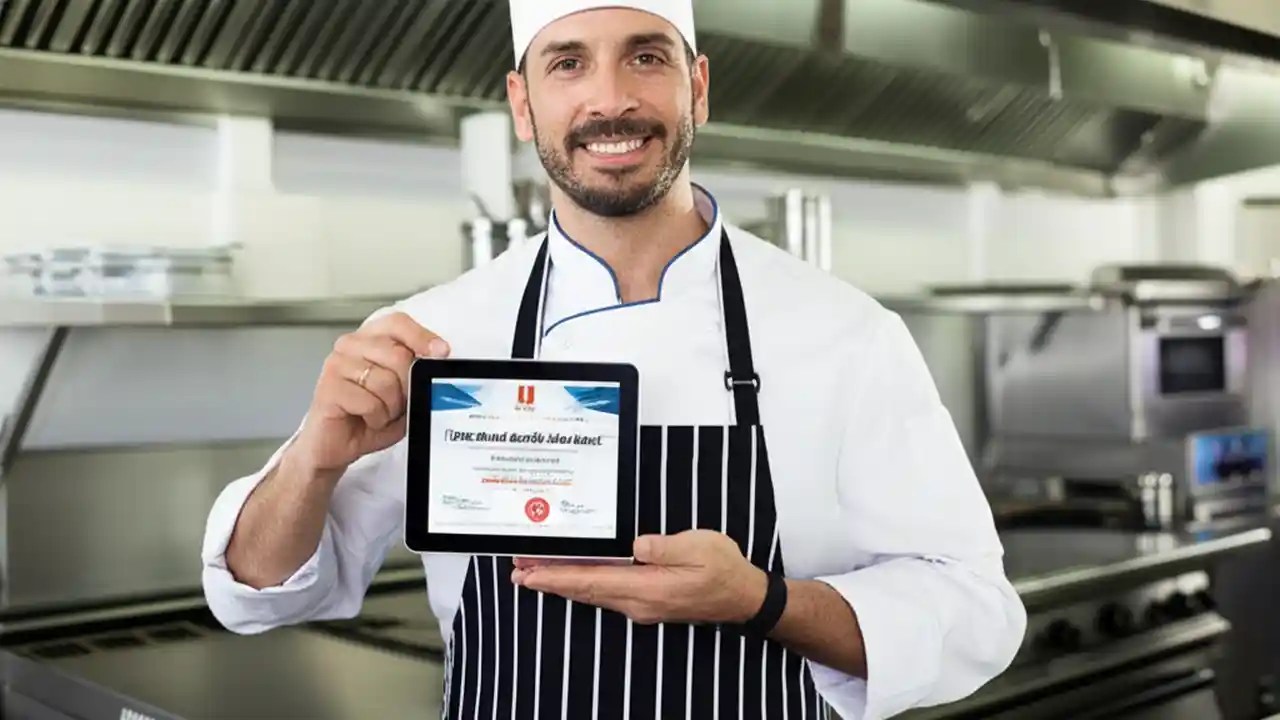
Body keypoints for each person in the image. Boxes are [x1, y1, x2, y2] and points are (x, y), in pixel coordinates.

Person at [200, 1, 1027, 717]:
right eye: (568, 63)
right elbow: (258, 591)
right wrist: (311, 459)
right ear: (522, 104)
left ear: (697, 85)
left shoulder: (845, 334)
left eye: (645, 56)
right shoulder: (437, 333)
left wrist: (761, 601)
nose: (611, 99)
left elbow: (975, 611)